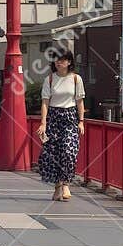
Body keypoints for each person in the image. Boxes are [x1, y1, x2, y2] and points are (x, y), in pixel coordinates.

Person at [37, 48, 85, 202]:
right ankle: (57, 186)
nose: (59, 62)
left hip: (70, 117)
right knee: (53, 154)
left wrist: (81, 121)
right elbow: (45, 102)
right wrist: (43, 123)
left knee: (69, 151)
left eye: (62, 60)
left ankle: (66, 183)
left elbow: (79, 101)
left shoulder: (76, 79)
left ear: (69, 62)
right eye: (56, 60)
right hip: (53, 117)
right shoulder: (50, 79)